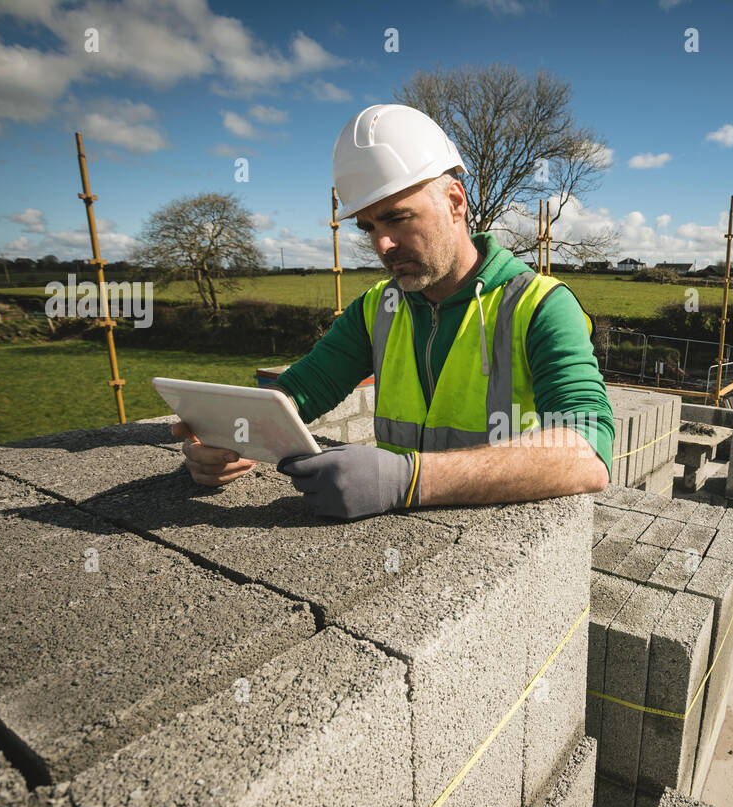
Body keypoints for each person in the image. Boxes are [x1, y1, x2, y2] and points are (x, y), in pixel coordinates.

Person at [175, 103, 614, 520]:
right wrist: (227, 438)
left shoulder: (540, 304)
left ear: (455, 201)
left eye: (398, 218)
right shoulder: (377, 307)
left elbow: (588, 453)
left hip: (501, 545)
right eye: (369, 227)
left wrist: (407, 480)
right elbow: (299, 392)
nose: (382, 245)